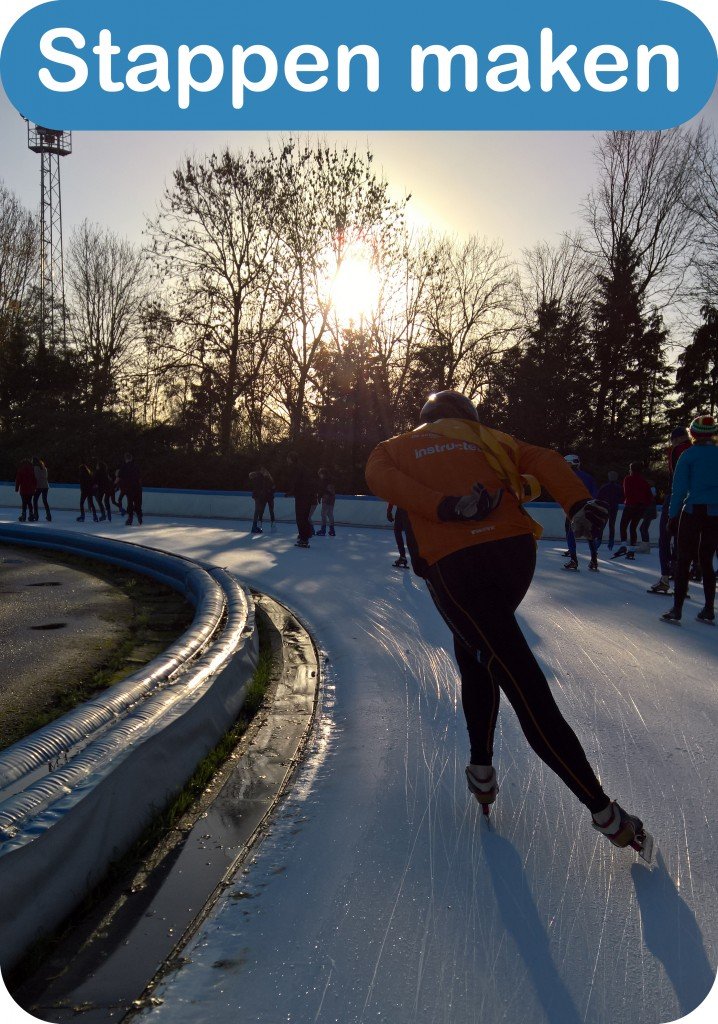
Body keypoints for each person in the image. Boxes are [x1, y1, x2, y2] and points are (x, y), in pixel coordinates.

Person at [366, 390, 651, 860]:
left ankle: (605, 814)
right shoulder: (490, 437)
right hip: (514, 555)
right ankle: (481, 768)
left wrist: (443, 506)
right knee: (476, 648)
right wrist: (577, 503)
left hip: (454, 564)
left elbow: (382, 481)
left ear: (427, 418)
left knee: (519, 679)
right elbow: (546, 459)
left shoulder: (393, 446)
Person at [661, 415, 718, 625]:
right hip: (715, 515)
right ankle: (709, 609)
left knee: (683, 559)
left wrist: (672, 516)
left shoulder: (688, 455)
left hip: (693, 511)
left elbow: (679, 490)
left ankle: (677, 609)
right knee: (707, 561)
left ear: (692, 434)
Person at [650, 427, 692, 595]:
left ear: (676, 439)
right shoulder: (696, 450)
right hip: (694, 500)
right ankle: (683, 581)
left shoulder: (677, 450)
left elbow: (676, 476)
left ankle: (665, 578)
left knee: (665, 537)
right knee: (683, 540)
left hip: (675, 496)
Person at [562, 455, 599, 571]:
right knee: (590, 535)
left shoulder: (568, 477)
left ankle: (573, 560)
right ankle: (594, 560)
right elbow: (595, 494)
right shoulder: (588, 477)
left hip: (574, 509)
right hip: (588, 508)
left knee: (570, 532)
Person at [612, 462, 653, 560]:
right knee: (633, 528)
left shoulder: (628, 479)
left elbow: (626, 492)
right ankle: (631, 551)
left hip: (630, 505)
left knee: (623, 525)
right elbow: (649, 497)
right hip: (640, 507)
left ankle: (623, 545)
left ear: (631, 469)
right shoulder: (644, 482)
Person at [284, 451, 314, 548]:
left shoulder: (296, 469)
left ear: (291, 459)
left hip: (302, 496)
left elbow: (297, 483)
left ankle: (303, 539)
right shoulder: (303, 468)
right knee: (304, 518)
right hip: (308, 496)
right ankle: (306, 535)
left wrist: (290, 492)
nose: (287, 460)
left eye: (288, 458)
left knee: (300, 518)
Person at [596, 471, 622, 551]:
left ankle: (599, 541)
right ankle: (610, 542)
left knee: (602, 525)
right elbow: (622, 498)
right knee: (611, 525)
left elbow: (598, 497)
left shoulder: (604, 487)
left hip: (605, 507)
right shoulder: (619, 488)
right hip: (614, 508)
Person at [118, 453, 143, 526]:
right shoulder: (136, 466)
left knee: (130, 503)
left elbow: (119, 477)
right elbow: (139, 478)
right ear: (131, 458)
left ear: (125, 459)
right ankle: (139, 516)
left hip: (129, 488)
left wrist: (113, 485)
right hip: (137, 488)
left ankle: (130, 519)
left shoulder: (124, 467)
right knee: (137, 502)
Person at [387, 503, 409, 568]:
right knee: (410, 533)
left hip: (402, 509)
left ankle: (403, 556)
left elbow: (393, 496)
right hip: (410, 508)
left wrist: (389, 511)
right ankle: (418, 559)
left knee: (397, 531)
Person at [15, 458, 36, 522]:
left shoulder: (21, 470)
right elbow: (34, 480)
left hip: (23, 489)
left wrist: (16, 488)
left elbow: (18, 480)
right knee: (29, 502)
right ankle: (31, 514)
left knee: (24, 502)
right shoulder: (32, 470)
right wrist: (34, 488)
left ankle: (24, 515)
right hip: (30, 489)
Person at [316, 468, 336, 537]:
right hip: (332, 499)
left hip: (326, 499)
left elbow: (322, 490)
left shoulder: (324, 481)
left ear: (323, 474)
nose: (319, 476)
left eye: (320, 474)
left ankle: (323, 530)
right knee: (330, 514)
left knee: (323, 514)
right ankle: (332, 530)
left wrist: (319, 497)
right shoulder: (331, 480)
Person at [31, 456, 51, 523]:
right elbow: (46, 476)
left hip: (39, 486)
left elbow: (36, 477)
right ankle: (49, 515)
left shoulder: (35, 468)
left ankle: (36, 515)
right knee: (45, 501)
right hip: (46, 486)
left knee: (35, 500)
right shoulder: (44, 467)